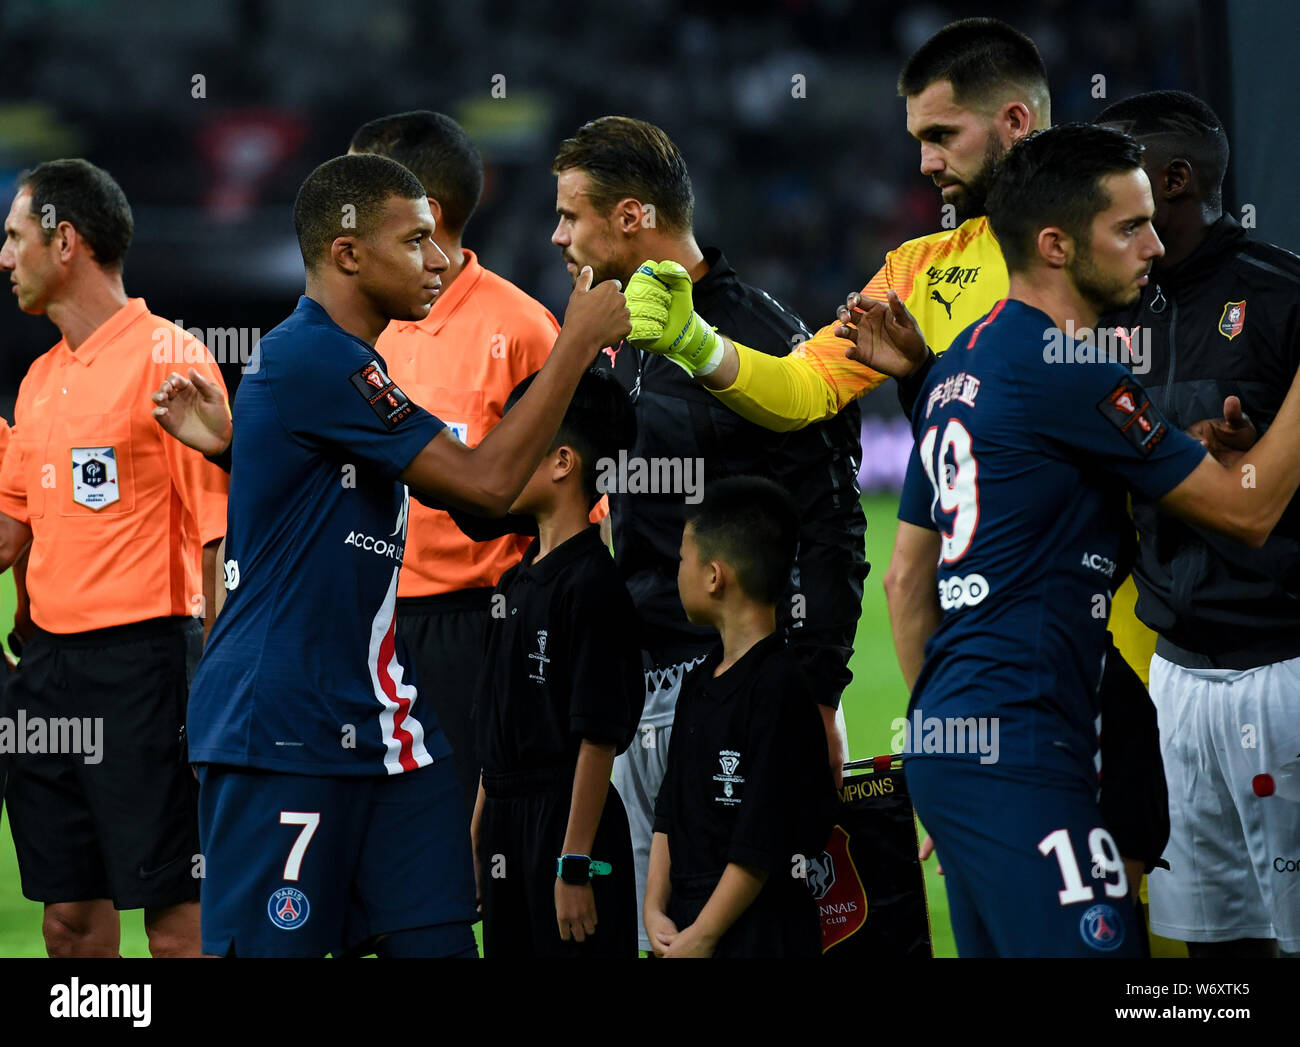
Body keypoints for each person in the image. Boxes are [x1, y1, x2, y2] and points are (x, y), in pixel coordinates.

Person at [170, 153, 629, 957]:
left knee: (442, 942)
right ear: (348, 253)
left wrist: (239, 452)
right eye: (416, 240)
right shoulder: (313, 356)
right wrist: (575, 346)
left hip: (386, 726)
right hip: (282, 727)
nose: (442, 259)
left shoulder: (350, 367)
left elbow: (420, 500)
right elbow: (484, 487)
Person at [875, 122, 1300, 956]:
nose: (1153, 246)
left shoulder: (965, 359)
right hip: (1029, 751)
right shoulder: (1070, 368)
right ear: (1058, 245)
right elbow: (1248, 510)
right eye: (1129, 227)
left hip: (956, 745)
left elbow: (904, 582)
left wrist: (951, 750)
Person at [549, 115, 864, 950]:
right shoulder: (614, 339)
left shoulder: (758, 335)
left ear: (629, 218)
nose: (556, 235)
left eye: (570, 215)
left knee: (756, 934)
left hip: (738, 692)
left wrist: (820, 691)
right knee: (667, 933)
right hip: (643, 695)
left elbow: (832, 519)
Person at [0, 159, 228, 958]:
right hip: (46, 670)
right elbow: (9, 534)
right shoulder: (36, 382)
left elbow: (218, 533)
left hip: (147, 669)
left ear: (66, 241)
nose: (4, 257)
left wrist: (223, 685)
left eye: (15, 236)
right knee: (67, 918)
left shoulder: (172, 360)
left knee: (176, 920)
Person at [1098, 90, 1300, 958]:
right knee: (1210, 954)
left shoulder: (1284, 299)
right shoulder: (1104, 319)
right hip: (1173, 683)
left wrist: (1260, 465)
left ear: (1171, 179)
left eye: (1114, 171)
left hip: (1284, 672)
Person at [349, 111, 562, 824]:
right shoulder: (350, 326)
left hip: (479, 630)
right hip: (364, 622)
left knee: (483, 851)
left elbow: (572, 510)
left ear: (426, 214)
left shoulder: (525, 328)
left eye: (358, 193)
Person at [471, 368, 643, 957]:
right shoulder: (513, 581)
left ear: (563, 462)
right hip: (506, 822)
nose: (500, 457)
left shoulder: (594, 586)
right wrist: (479, 831)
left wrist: (574, 863)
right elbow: (498, 732)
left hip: (569, 827)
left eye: (517, 440)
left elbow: (597, 739)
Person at [644, 476, 838, 958]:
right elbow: (668, 810)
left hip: (758, 932)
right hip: (689, 925)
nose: (676, 573)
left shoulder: (780, 689)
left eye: (682, 560)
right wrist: (653, 908)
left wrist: (706, 934)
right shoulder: (697, 681)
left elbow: (761, 840)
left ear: (714, 576)